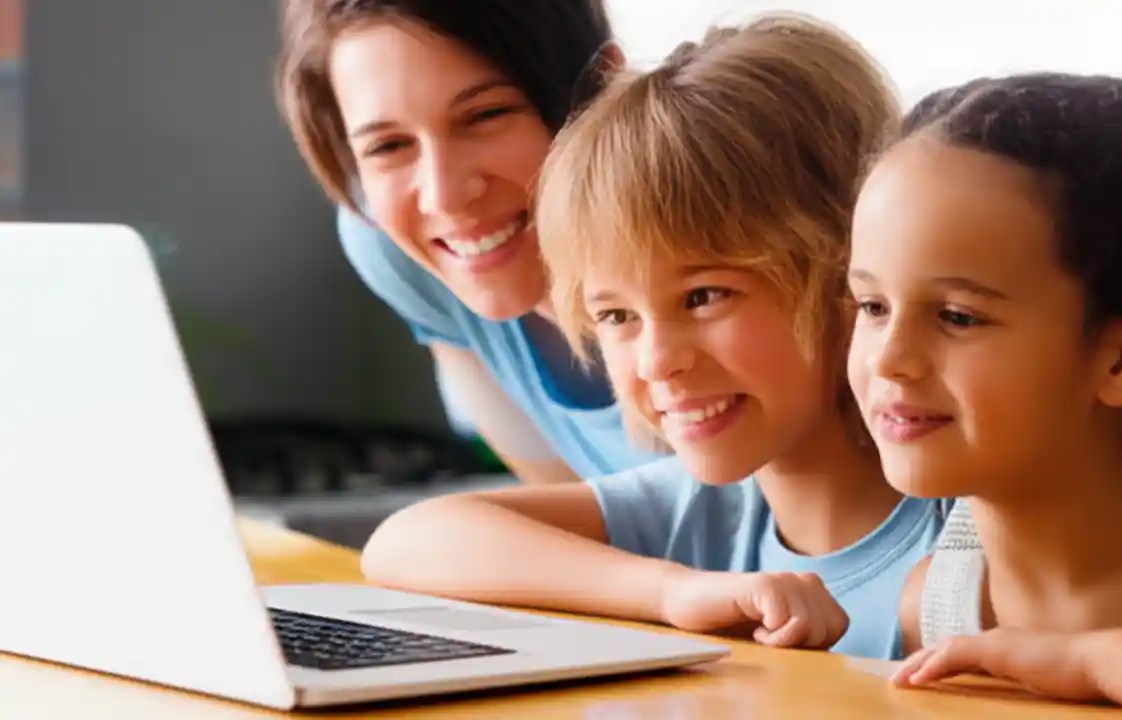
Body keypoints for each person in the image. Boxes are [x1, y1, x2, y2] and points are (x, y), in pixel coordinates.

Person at [362, 15, 949, 659]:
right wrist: (670, 592)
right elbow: (406, 543)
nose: (657, 361)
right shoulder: (701, 513)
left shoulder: (970, 533)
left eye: (704, 297)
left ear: (851, 271)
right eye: (616, 317)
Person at [843, 72, 1122, 716]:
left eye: (959, 316)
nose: (890, 358)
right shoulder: (936, 597)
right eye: (873, 305)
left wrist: (1088, 660)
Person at [276, 0, 661, 484]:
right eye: (389, 146)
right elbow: (576, 510)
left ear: (606, 85)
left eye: (486, 115)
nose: (444, 197)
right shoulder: (393, 244)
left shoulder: (737, 239)